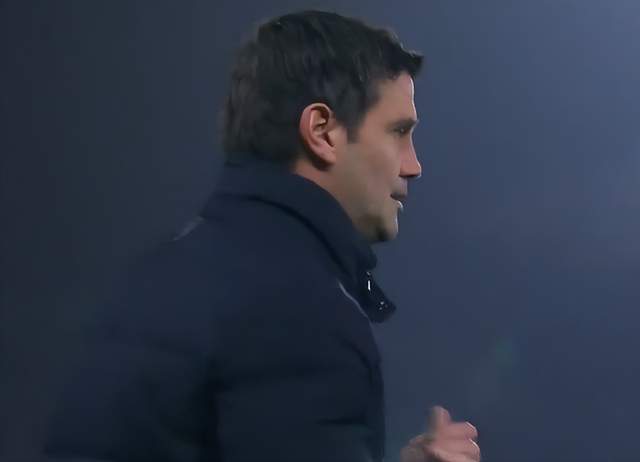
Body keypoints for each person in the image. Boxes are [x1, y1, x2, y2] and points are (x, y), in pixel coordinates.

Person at [43, 10, 480, 462]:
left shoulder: (163, 271)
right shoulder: (301, 314)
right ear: (322, 132)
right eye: (398, 132)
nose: (413, 165)